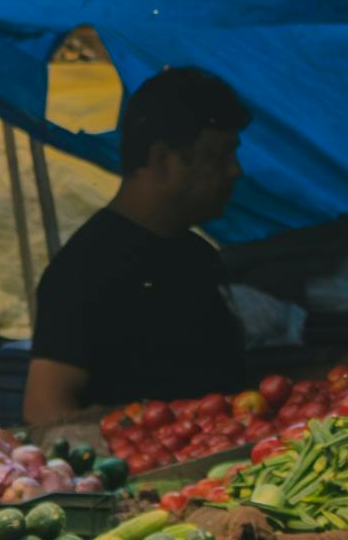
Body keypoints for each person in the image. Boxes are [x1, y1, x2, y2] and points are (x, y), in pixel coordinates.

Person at [20, 66, 252, 434]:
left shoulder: (197, 256)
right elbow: (44, 407)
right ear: (162, 160)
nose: (235, 171)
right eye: (217, 156)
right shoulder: (85, 269)